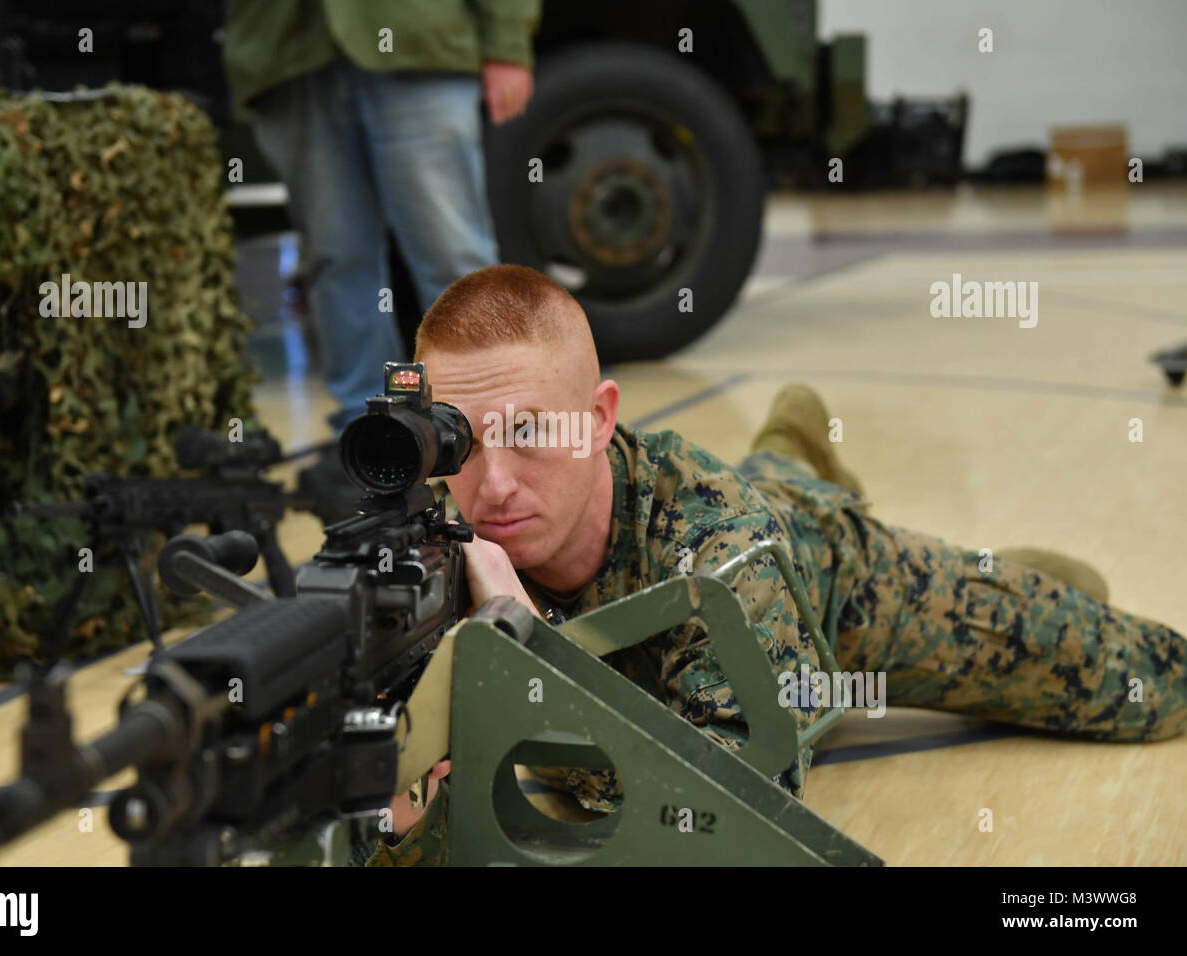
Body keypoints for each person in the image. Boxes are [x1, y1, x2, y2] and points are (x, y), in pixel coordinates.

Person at [356, 263, 1187, 865]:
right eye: (460, 441)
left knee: (1140, 682)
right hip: (745, 510)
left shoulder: (733, 551)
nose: (492, 488)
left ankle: (984, 560)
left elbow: (737, 815)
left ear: (601, 418)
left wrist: (527, 658)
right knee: (773, 474)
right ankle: (789, 446)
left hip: (843, 585)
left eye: (531, 432)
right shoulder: (436, 556)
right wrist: (394, 811)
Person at [221, 0, 540, 521]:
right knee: (335, 262)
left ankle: (497, 428)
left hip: (419, 38)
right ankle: (372, 445)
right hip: (290, 51)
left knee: (453, 258)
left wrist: (506, 40)